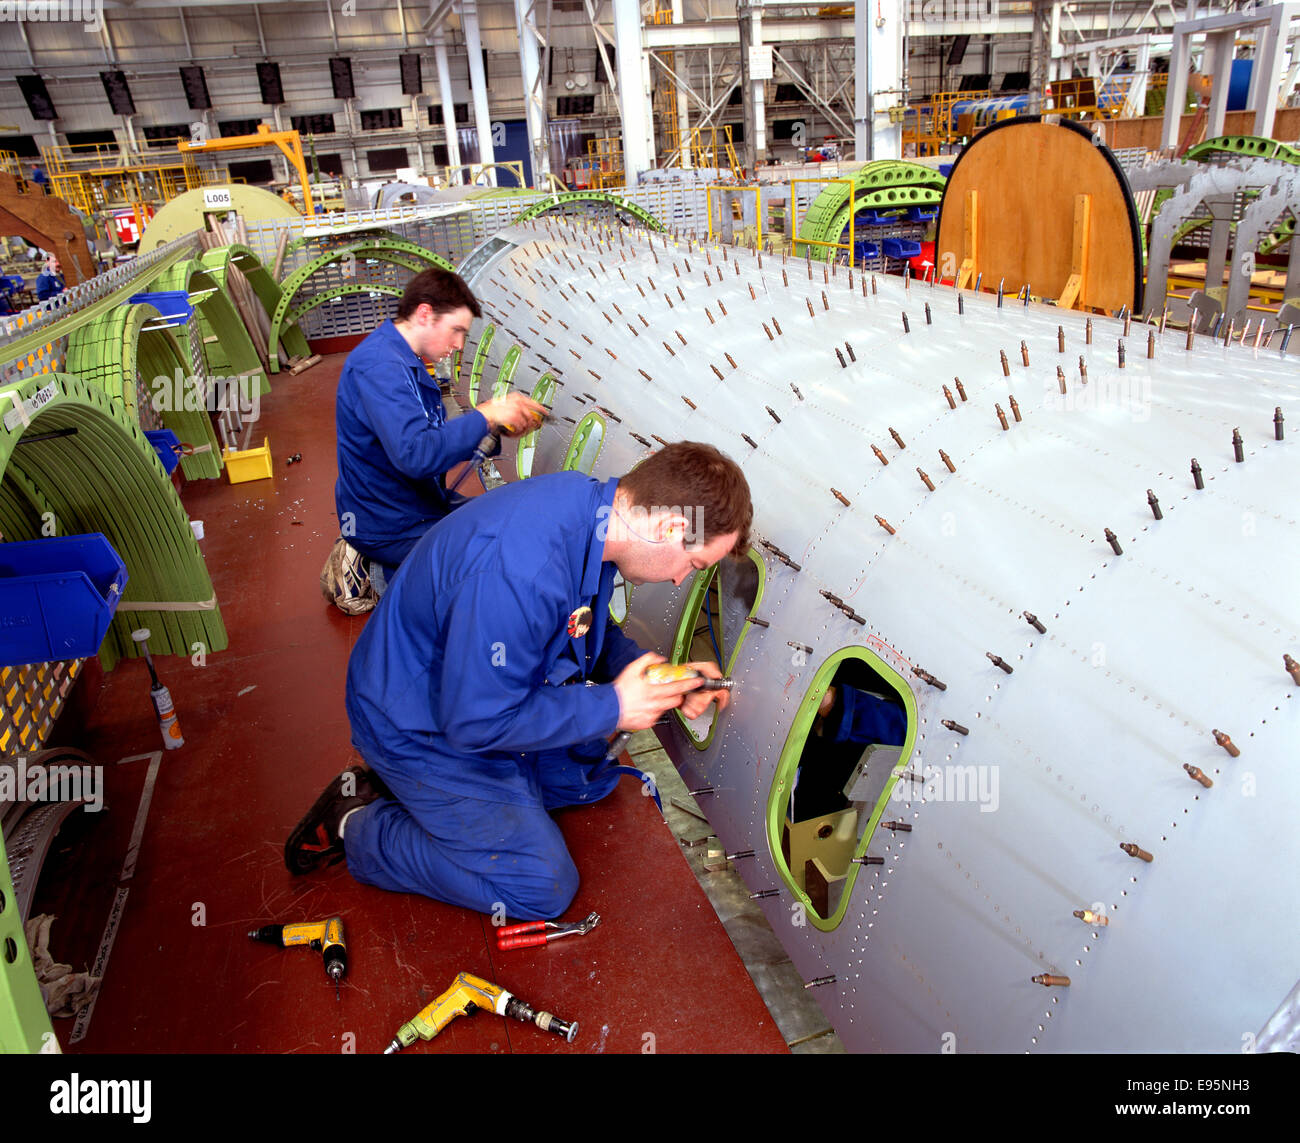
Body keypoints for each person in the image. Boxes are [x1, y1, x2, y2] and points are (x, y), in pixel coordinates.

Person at [287, 441, 753, 920]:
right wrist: (615, 706)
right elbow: (474, 723)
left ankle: (448, 800)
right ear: (672, 527)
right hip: (413, 724)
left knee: (588, 774)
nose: (680, 581)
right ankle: (363, 828)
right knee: (541, 884)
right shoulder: (522, 570)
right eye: (693, 565)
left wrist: (656, 676)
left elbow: (584, 621)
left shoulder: (590, 511)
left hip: (461, 688)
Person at [334, 267, 545, 591]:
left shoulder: (402, 358)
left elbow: (431, 437)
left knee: (509, 518)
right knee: (500, 556)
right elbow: (417, 454)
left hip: (413, 504)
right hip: (391, 523)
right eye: (456, 330)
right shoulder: (381, 367)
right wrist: (486, 415)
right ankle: (403, 592)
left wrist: (494, 429)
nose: (459, 344)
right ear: (424, 314)